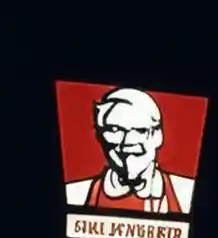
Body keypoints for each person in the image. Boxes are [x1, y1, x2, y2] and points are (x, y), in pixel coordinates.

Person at [64, 87, 195, 214]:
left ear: (157, 136)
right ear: (100, 135)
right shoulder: (74, 194)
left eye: (140, 130)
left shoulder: (187, 192)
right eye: (115, 130)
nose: (128, 141)